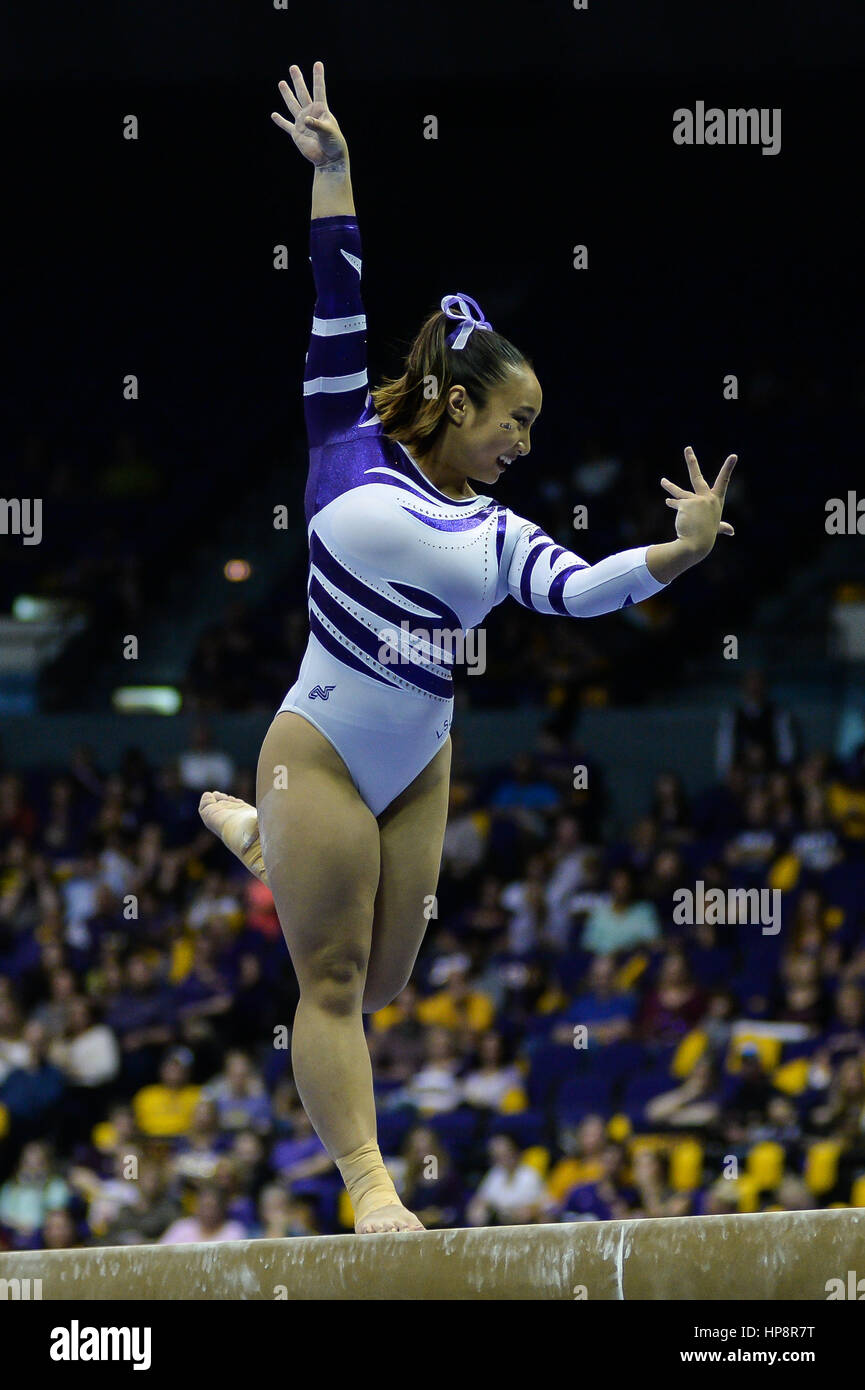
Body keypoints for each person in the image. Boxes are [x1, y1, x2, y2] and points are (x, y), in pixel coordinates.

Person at [197, 61, 738, 1234]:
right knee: (332, 983)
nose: (522, 446)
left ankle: (261, 847)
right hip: (325, 746)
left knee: (386, 981)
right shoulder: (341, 434)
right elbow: (333, 293)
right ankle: (371, 1188)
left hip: (420, 756)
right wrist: (334, 170)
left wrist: (678, 556)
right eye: (514, 423)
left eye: (533, 430)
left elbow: (582, 591)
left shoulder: (496, 534)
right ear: (454, 402)